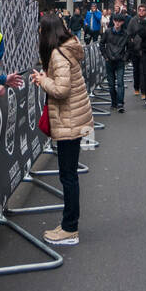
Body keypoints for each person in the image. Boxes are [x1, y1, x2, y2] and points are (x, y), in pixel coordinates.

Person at [30, 14, 94, 246]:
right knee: (69, 175)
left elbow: (61, 90)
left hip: (69, 120)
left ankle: (70, 229)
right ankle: (68, 225)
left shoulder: (57, 54)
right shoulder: (68, 49)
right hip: (73, 117)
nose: (38, 34)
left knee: (68, 176)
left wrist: (42, 81)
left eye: (40, 30)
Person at [99, 10, 130, 111]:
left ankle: (120, 103)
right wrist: (105, 56)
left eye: (119, 21)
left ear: (122, 22)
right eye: (115, 20)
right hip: (110, 60)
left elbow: (129, 48)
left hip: (120, 60)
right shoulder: (108, 32)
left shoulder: (125, 34)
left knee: (120, 82)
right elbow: (101, 44)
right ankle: (114, 102)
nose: (117, 23)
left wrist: (125, 58)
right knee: (111, 84)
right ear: (113, 21)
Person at [126, 4, 146, 98]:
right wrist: (130, 41)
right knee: (136, 70)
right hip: (135, 49)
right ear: (138, 11)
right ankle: (136, 88)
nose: (142, 12)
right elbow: (129, 33)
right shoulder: (133, 20)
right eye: (140, 10)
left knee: (143, 71)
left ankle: (144, 91)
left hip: (144, 49)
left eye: (143, 10)